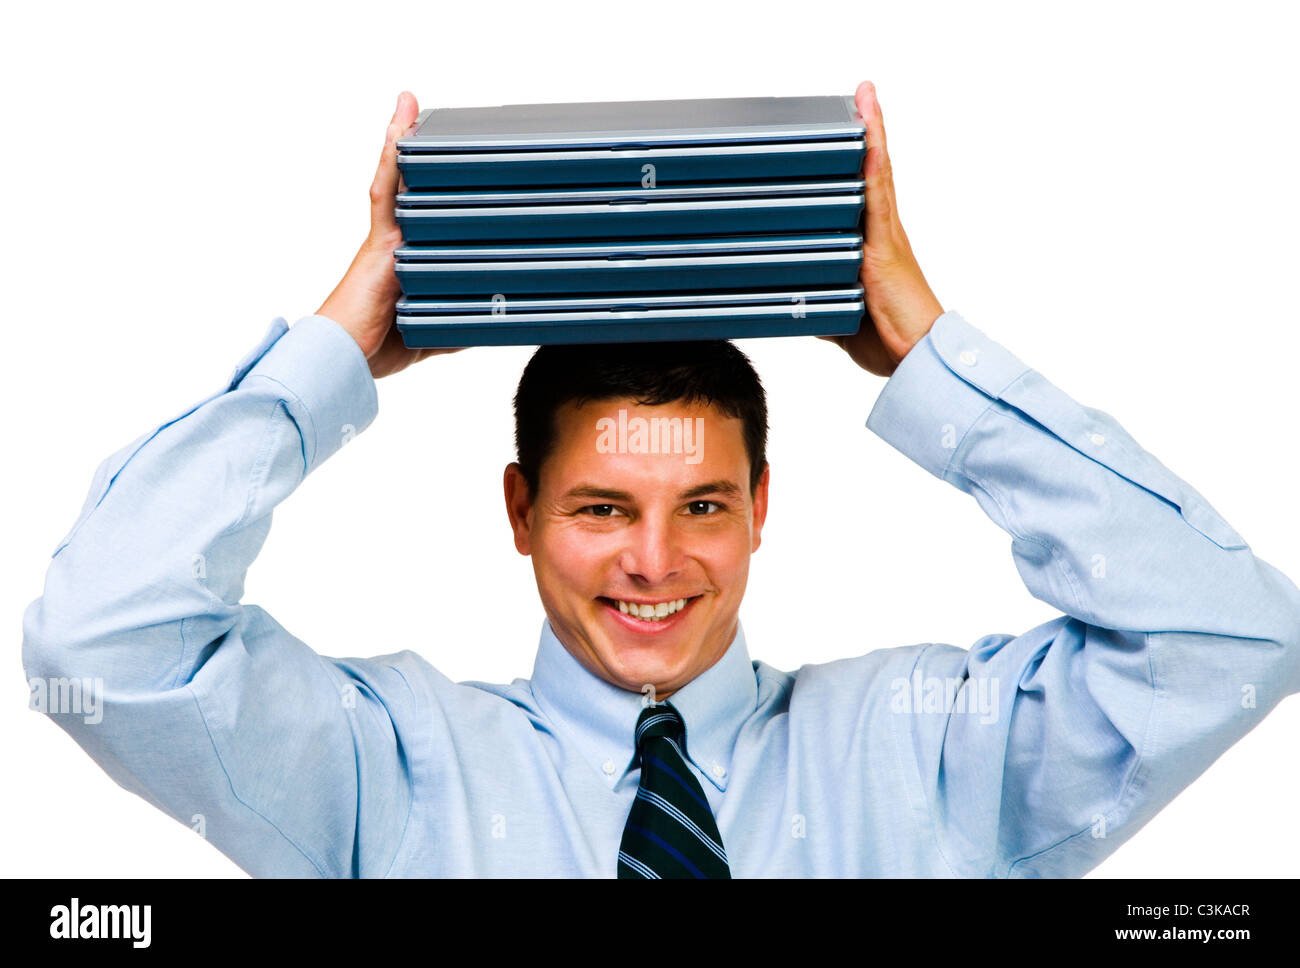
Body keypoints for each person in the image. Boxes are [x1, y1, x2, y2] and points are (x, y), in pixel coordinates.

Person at [22, 82, 1300, 878]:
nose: (654, 560)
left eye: (702, 506)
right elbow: (103, 640)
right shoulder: (385, 769)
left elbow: (1230, 635)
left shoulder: (928, 749)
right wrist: (331, 354)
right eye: (599, 508)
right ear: (518, 512)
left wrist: (928, 355)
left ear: (760, 511)